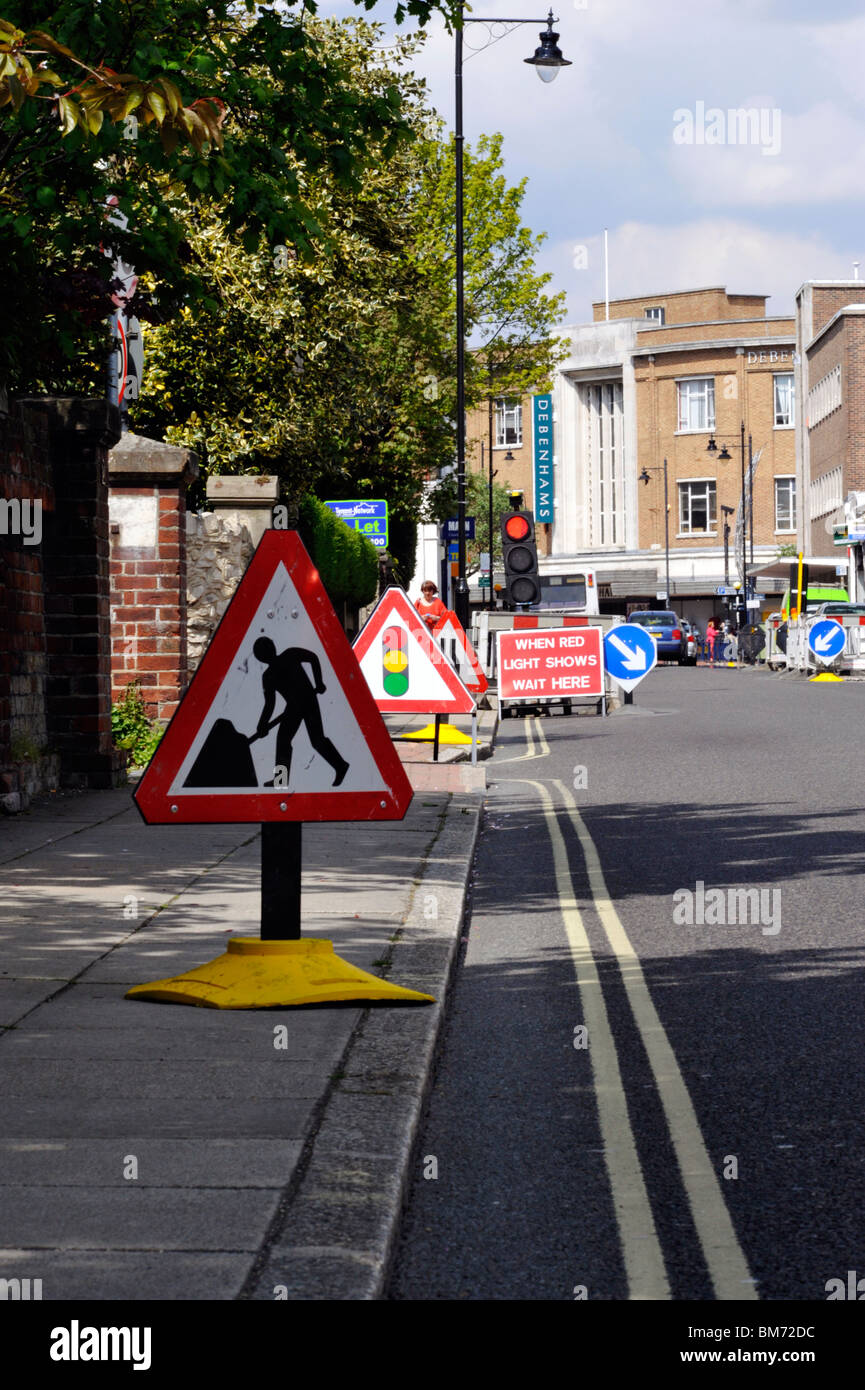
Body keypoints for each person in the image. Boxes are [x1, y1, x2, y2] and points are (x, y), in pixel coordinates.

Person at [252, 637, 349, 788]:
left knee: (315, 740)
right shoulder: (269, 675)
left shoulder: (289, 655)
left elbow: (313, 658)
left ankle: (341, 766)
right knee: (286, 740)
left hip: (308, 700)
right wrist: (262, 724)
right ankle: (281, 780)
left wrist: (319, 682)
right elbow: (270, 704)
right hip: (293, 707)